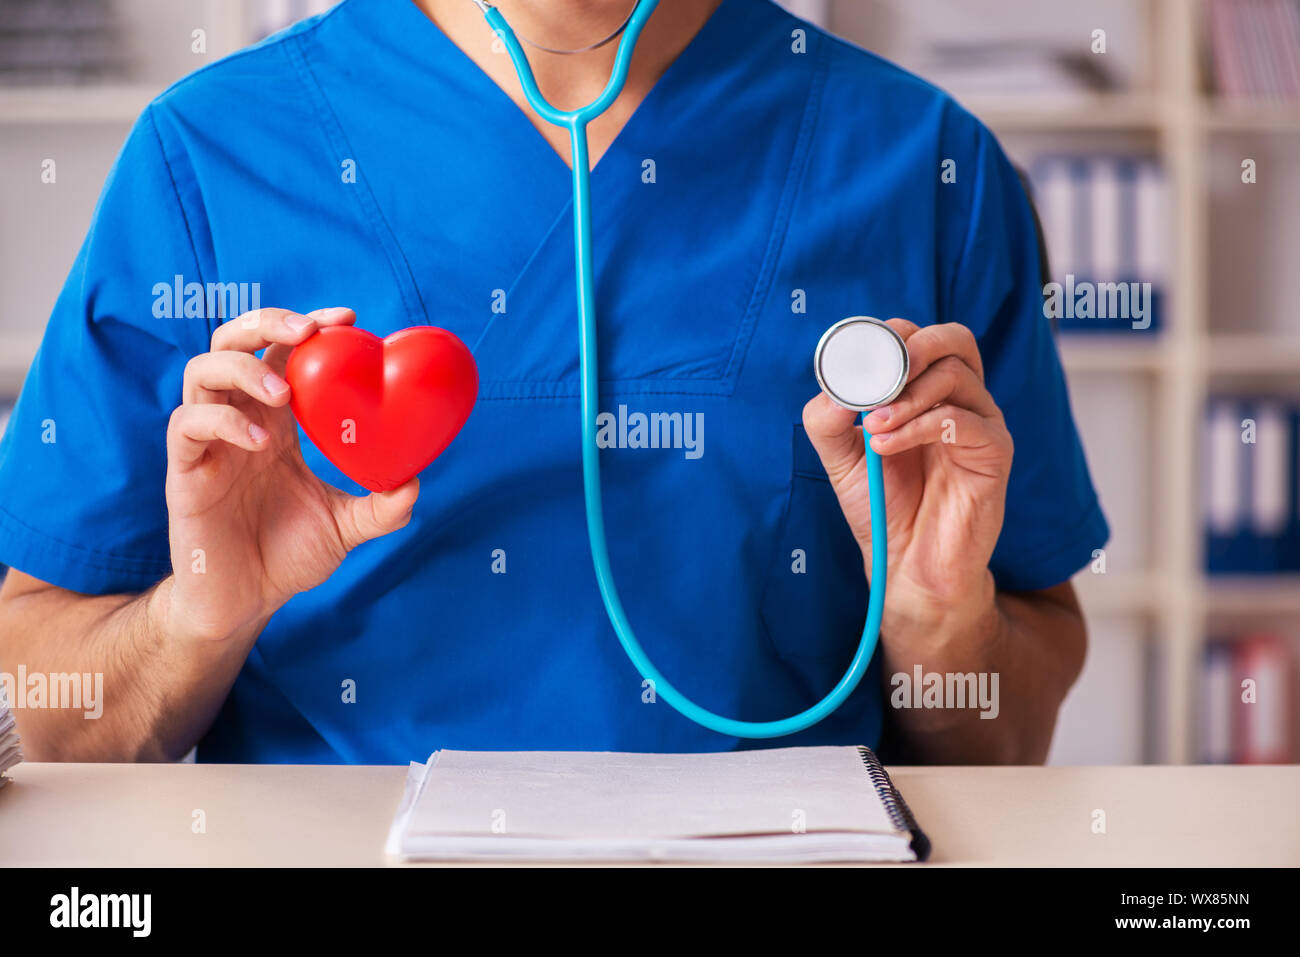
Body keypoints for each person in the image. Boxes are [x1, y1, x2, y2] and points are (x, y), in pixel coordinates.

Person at [0, 0, 1107, 765]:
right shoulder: (208, 156)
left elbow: (1010, 732)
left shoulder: (923, 165)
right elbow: (57, 721)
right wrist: (198, 620)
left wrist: (935, 628)